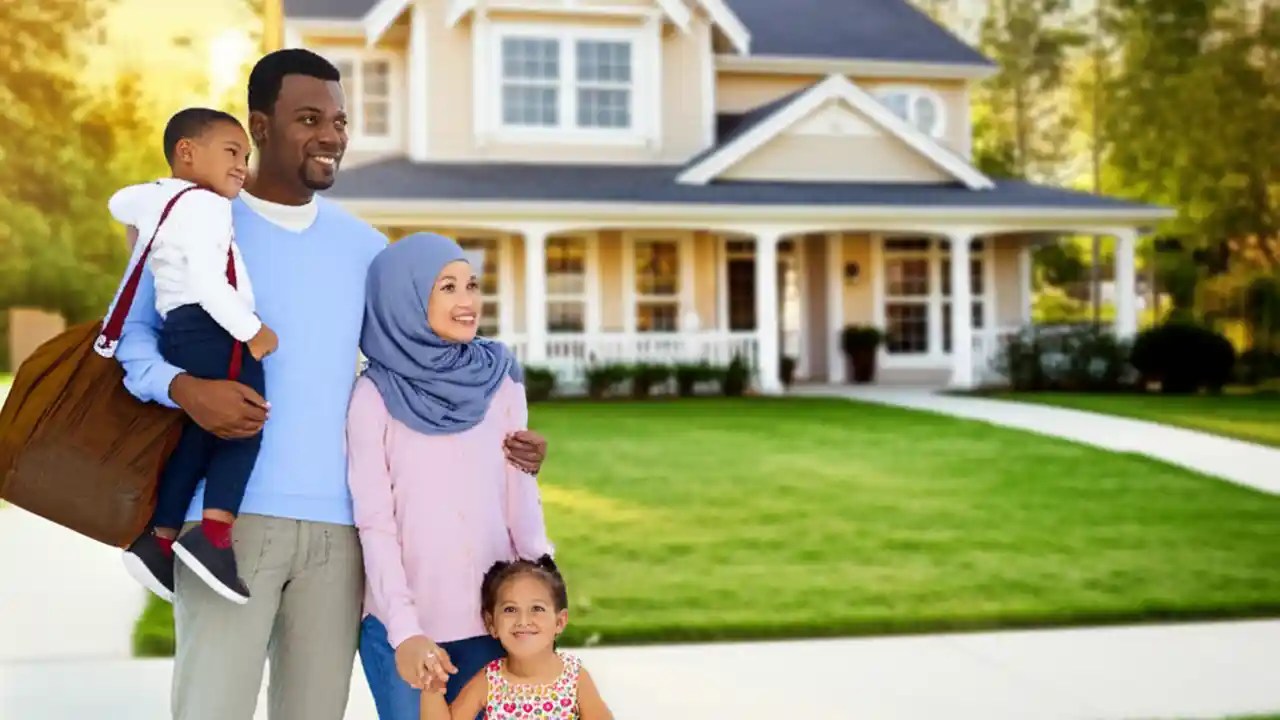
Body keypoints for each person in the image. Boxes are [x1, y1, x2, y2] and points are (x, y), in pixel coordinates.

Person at [112, 49, 549, 720]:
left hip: (341, 537)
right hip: (227, 523)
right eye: (309, 118)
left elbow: (416, 367)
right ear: (259, 125)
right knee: (211, 709)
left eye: (340, 121)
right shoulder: (194, 222)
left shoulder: (367, 249)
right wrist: (183, 389)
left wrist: (504, 435)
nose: (331, 137)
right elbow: (129, 335)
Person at [347, 232, 556, 720]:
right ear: (406, 297)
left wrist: (541, 587)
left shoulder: (499, 376)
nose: (467, 302)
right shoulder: (372, 396)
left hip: (494, 625)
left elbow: (519, 493)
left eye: (472, 285)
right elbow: (375, 522)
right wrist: (405, 631)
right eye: (447, 287)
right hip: (408, 628)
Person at [110, 108, 279, 606]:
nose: (241, 166)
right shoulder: (206, 206)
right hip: (216, 327)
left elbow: (117, 201)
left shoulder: (158, 200)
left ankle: (159, 539)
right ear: (186, 151)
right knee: (246, 425)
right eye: (231, 152)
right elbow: (210, 283)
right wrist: (254, 331)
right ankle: (213, 537)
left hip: (181, 331)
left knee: (197, 434)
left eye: (245, 157)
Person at [420, 557, 613, 720]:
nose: (523, 620)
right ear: (491, 623)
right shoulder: (489, 681)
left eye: (537, 609)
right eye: (510, 610)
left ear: (560, 622)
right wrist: (432, 690)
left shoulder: (574, 678)